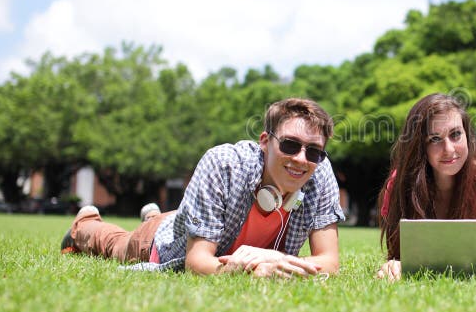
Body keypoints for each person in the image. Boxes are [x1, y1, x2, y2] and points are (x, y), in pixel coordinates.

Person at [61, 98, 345, 278]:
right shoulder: (224, 164)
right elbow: (196, 262)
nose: (301, 159)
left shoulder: (319, 172)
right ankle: (85, 225)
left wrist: (274, 259)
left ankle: (154, 215)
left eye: (314, 151)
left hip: (199, 223)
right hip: (162, 244)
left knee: (169, 220)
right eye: (290, 145)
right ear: (264, 141)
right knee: (118, 245)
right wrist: (255, 268)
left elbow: (330, 262)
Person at [376, 93, 476, 280]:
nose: (449, 149)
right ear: (419, 147)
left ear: (467, 136)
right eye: (435, 139)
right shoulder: (400, 184)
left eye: (455, 134)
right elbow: (399, 258)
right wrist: (394, 267)